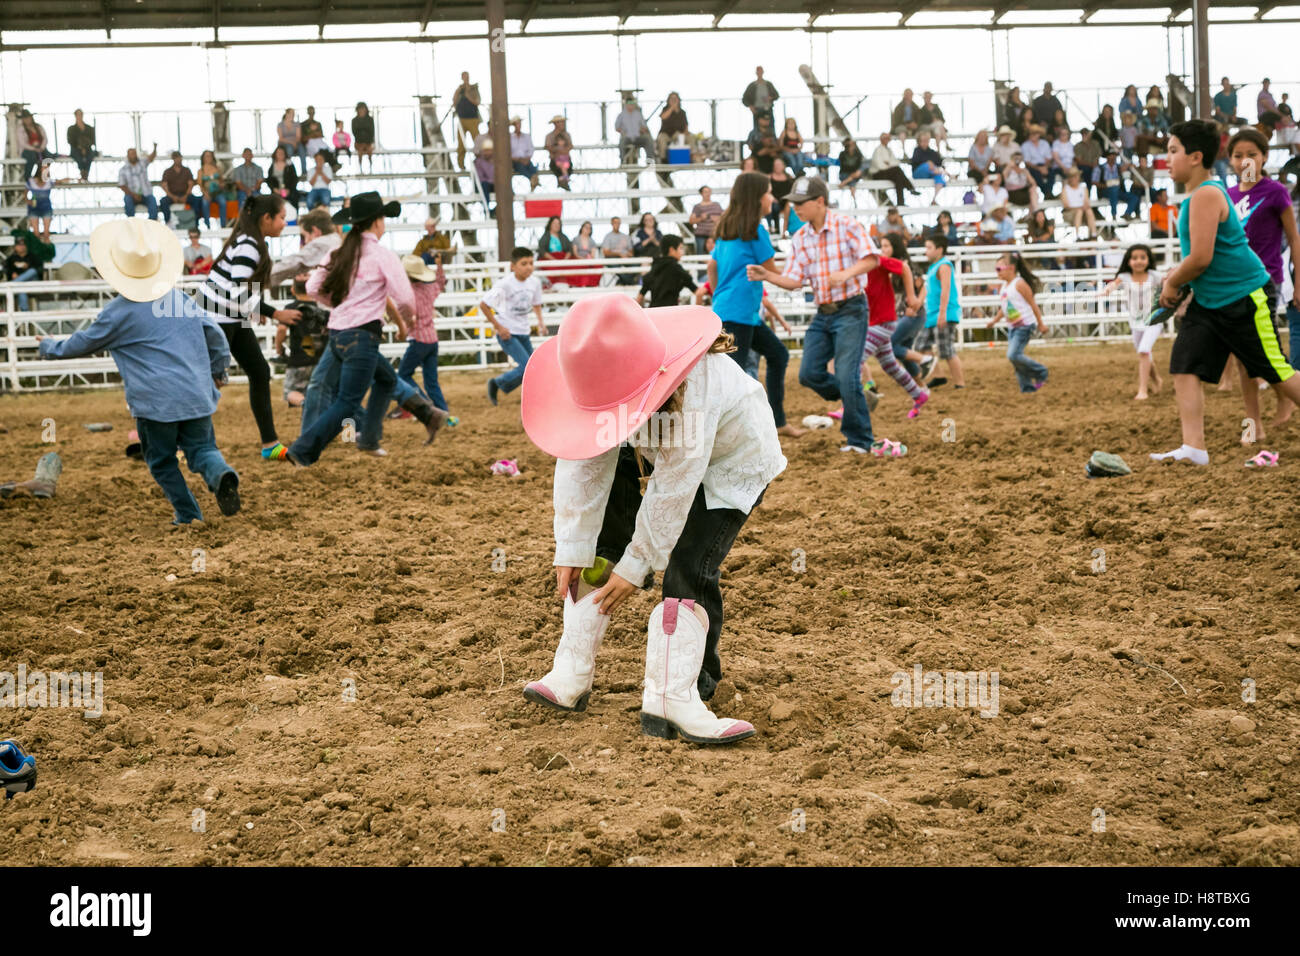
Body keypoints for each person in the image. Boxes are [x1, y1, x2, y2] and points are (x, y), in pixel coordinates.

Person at [518, 292, 782, 743]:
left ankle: (679, 692)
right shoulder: (604, 362)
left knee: (688, 565)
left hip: (730, 464)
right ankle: (571, 671)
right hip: (645, 443)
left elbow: (677, 483)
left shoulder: (697, 387)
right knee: (598, 545)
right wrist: (572, 546)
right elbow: (583, 458)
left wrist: (637, 564)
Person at [38, 219, 240, 525]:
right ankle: (221, 473)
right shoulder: (179, 299)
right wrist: (218, 372)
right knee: (201, 449)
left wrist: (49, 346)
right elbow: (215, 335)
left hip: (155, 402)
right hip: (196, 393)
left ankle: (188, 515)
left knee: (161, 461)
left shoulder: (118, 312)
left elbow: (82, 343)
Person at [1150, 120, 1300, 467]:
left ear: (1196, 156)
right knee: (1184, 365)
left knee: (1277, 371)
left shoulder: (1205, 195)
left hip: (1245, 297)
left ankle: (1202, 444)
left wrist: (1173, 282)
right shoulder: (1204, 194)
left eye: (1173, 151)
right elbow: (1200, 259)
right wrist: (1178, 278)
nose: (1167, 159)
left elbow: (1201, 257)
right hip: (1211, 300)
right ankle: (1194, 448)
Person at [748, 176, 908, 457]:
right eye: (793, 203)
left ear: (820, 201)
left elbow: (872, 259)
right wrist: (768, 275)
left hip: (851, 309)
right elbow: (795, 280)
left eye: (801, 203)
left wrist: (846, 274)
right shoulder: (800, 238)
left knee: (847, 375)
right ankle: (855, 396)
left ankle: (859, 439)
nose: (795, 208)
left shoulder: (847, 226)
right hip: (824, 314)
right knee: (809, 373)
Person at [287, 192, 446, 464]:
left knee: (382, 380)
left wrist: (336, 302)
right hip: (363, 336)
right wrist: (407, 320)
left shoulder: (338, 252)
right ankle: (303, 450)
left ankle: (405, 424)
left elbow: (313, 287)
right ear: (377, 222)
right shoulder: (382, 255)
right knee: (347, 402)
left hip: (338, 333)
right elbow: (406, 298)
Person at [196, 193, 302, 460]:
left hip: (228, 318)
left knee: (257, 371)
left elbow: (242, 289)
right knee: (209, 383)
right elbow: (237, 290)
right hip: (216, 319)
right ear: (266, 218)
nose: (283, 223)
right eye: (281, 218)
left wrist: (256, 308)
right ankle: (188, 444)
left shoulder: (251, 242)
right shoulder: (249, 245)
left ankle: (270, 444)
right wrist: (275, 312)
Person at [706, 171, 803, 437]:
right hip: (739, 313)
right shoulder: (755, 230)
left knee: (776, 355)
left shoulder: (726, 227)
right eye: (769, 192)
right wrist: (803, 269)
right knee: (733, 376)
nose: (772, 197)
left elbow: (711, 266)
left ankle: (778, 422)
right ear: (756, 197)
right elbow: (775, 273)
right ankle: (730, 432)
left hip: (731, 310)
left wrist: (719, 295)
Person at [1224, 127, 1300, 429]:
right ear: (1229, 160)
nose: (1245, 161)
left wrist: (1298, 284)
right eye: (1238, 155)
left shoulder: (1275, 192)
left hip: (1267, 280)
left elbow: (1294, 239)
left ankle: (1285, 398)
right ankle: (1253, 420)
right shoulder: (1226, 195)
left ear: (1265, 157)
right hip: (1233, 283)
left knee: (1265, 349)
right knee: (1244, 356)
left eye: (1252, 155)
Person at [483, 247, 549, 406]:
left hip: (523, 331)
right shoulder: (504, 284)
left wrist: (541, 322)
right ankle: (497, 383)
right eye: (524, 263)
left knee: (531, 368)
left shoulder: (534, 283)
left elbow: (536, 303)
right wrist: (499, 327)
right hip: (508, 332)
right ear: (513, 266)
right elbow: (484, 305)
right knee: (528, 366)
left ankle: (529, 397)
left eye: (531, 263)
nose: (528, 267)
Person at [1099, 244, 1163, 400]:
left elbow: (1169, 283)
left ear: (1148, 260)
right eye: (1134, 258)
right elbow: (1113, 284)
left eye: (1142, 257)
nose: (1138, 261)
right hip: (1135, 323)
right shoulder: (1125, 277)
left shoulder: (1155, 276)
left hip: (1154, 321)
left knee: (1143, 351)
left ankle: (1143, 390)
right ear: (1128, 261)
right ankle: (1157, 380)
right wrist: (1106, 291)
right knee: (1145, 354)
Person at [986, 251, 1048, 393]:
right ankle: (1026, 387)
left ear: (1011, 268)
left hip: (1024, 325)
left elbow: (1033, 304)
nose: (997, 272)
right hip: (1014, 327)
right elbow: (1005, 308)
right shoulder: (1006, 287)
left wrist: (1041, 323)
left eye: (999, 269)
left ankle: (1040, 371)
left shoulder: (1019, 284)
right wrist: (994, 321)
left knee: (1013, 355)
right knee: (1016, 358)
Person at [396, 253, 450, 415]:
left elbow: (410, 319)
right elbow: (440, 283)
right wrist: (439, 266)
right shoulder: (429, 288)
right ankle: (443, 411)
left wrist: (402, 331)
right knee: (431, 381)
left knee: (403, 375)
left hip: (418, 340)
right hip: (432, 339)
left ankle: (425, 406)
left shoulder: (409, 294)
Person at [916, 232, 965, 389]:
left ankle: (960, 383)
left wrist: (943, 313)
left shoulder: (944, 265)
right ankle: (939, 376)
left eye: (929, 248)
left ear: (940, 249)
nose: (926, 251)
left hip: (943, 313)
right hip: (933, 314)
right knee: (921, 345)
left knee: (946, 350)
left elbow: (946, 290)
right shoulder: (934, 267)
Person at [276, 280, 329, 407]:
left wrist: (279, 349)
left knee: (290, 392)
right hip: (321, 359)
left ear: (293, 290)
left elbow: (281, 329)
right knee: (321, 390)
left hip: (298, 359)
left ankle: (305, 403)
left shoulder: (290, 308)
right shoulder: (322, 308)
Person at [637, 235, 697, 308]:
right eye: (681, 248)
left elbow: (640, 297)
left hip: (654, 313)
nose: (683, 252)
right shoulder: (677, 269)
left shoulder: (655, 267)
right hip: (671, 313)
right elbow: (698, 292)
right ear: (672, 250)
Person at [868, 133, 919, 207]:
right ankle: (910, 187)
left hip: (888, 172)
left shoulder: (889, 150)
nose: (887, 140)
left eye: (888, 138)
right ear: (881, 139)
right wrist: (889, 165)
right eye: (885, 138)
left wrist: (888, 164)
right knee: (897, 171)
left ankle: (901, 203)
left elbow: (896, 162)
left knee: (898, 178)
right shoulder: (878, 150)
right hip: (878, 174)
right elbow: (879, 165)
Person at [160, 151, 204, 226]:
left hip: (185, 194)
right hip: (172, 195)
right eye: (176, 158)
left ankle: (196, 222)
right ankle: (168, 222)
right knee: (163, 201)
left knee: (197, 201)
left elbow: (191, 184)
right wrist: (172, 196)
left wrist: (186, 196)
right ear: (173, 159)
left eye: (179, 158)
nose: (178, 160)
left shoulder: (186, 170)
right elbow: (164, 186)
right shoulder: (168, 171)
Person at [26, 162, 66, 244]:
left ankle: (46, 250)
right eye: (44, 168)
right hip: (34, 207)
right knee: (36, 233)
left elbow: (60, 181)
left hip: (46, 207)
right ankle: (37, 250)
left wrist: (74, 178)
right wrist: (28, 201)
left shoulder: (49, 181)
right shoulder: (31, 181)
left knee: (46, 234)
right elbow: (25, 194)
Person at [1095, 149, 1141, 221]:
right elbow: (1094, 182)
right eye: (1111, 155)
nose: (1114, 157)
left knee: (1134, 197)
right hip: (1105, 190)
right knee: (1114, 190)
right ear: (1107, 157)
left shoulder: (1118, 167)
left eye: (1115, 155)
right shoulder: (1100, 168)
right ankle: (1114, 214)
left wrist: (1129, 165)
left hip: (1118, 191)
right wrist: (1106, 185)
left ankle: (1127, 213)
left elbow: (1130, 166)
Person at [118, 145, 159, 219]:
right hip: (131, 195)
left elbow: (151, 157)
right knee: (127, 201)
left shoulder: (142, 163)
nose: (133, 156)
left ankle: (151, 223)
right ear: (128, 156)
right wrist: (134, 195)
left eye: (134, 153)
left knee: (153, 202)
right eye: (131, 154)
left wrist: (155, 148)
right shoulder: (123, 169)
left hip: (146, 193)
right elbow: (122, 185)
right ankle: (132, 223)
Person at [452, 72, 482, 170]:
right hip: (462, 119)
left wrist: (468, 95)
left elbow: (477, 101)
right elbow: (454, 101)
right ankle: (461, 165)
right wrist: (458, 91)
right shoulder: (460, 89)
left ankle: (480, 162)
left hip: (473, 119)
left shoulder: (473, 88)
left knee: (477, 142)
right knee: (461, 143)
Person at [3, 237, 40, 311]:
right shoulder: (11, 258)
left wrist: (28, 266)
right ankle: (25, 313)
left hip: (32, 281)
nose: (21, 247)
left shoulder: (32, 256)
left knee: (32, 271)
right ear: (15, 247)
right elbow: (6, 269)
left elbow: (39, 269)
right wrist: (12, 273)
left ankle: (13, 284)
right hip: (21, 284)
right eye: (19, 245)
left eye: (23, 245)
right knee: (21, 287)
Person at [198, 149, 231, 228]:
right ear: (203, 158)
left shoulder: (217, 168)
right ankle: (207, 224)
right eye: (206, 156)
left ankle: (223, 225)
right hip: (207, 193)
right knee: (205, 203)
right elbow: (200, 185)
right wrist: (205, 194)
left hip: (218, 192)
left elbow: (221, 180)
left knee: (223, 202)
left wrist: (221, 184)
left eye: (210, 156)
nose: (208, 158)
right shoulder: (201, 171)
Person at [909, 132, 946, 204]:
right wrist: (928, 162)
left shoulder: (932, 152)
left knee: (939, 178)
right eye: (922, 141)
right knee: (927, 165)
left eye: (926, 141)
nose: (924, 143)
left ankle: (934, 199)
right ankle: (945, 173)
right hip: (919, 174)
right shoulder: (917, 151)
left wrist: (933, 164)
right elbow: (916, 161)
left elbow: (939, 162)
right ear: (919, 142)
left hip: (931, 173)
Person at [16, 112, 54, 182]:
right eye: (24, 118)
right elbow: (22, 144)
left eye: (28, 118)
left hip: (40, 149)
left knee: (48, 157)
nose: (27, 120)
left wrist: (41, 148)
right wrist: (34, 149)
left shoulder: (38, 127)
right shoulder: (21, 129)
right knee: (32, 158)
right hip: (28, 150)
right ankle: (28, 178)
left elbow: (45, 138)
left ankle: (42, 176)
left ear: (31, 118)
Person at [615, 101, 655, 165]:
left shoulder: (638, 114)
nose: (630, 106)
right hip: (627, 137)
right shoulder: (621, 115)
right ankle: (622, 161)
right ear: (626, 105)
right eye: (629, 105)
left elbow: (644, 126)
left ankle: (649, 160)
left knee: (648, 140)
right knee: (622, 142)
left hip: (637, 137)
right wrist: (622, 131)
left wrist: (642, 129)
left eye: (632, 105)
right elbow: (617, 127)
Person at [1060, 168, 1097, 238]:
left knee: (1089, 211)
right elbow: (1066, 206)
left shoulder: (1083, 188)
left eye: (1076, 176)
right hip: (1070, 213)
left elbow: (1087, 203)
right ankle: (1077, 235)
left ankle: (1093, 234)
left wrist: (1083, 208)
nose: (1074, 178)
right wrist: (1079, 208)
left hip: (1082, 212)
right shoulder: (1065, 189)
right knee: (1079, 211)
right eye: (1072, 176)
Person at [601, 216, 638, 286]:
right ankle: (631, 282)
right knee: (618, 268)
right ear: (611, 224)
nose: (617, 224)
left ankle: (621, 282)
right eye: (615, 223)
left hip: (626, 258)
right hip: (613, 259)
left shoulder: (626, 237)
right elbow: (606, 252)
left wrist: (626, 254)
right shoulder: (608, 237)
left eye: (618, 223)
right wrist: (619, 254)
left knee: (637, 265)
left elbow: (631, 252)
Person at [508, 116, 541, 191]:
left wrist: (527, 158)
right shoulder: (509, 137)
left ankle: (533, 180)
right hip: (515, 161)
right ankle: (533, 179)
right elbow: (508, 152)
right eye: (516, 124)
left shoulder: (526, 136)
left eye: (519, 124)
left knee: (531, 167)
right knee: (520, 167)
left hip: (526, 159)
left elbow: (531, 149)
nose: (518, 126)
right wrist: (516, 159)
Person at [1021, 124, 1054, 198]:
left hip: (1044, 165)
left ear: (1039, 134)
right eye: (1031, 133)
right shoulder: (1025, 145)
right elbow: (1027, 162)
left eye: (1034, 133)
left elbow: (1048, 158)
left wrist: (1045, 167)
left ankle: (1048, 192)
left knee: (1052, 172)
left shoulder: (1044, 143)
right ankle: (1047, 193)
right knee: (1036, 174)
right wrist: (1039, 168)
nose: (1032, 135)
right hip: (1033, 167)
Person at [688, 185, 722, 255]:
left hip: (715, 234)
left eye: (709, 192)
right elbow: (691, 221)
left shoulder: (717, 205)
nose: (708, 194)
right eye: (705, 192)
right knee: (701, 255)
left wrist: (718, 219)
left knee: (718, 253)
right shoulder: (697, 207)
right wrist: (701, 218)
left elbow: (724, 217)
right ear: (701, 194)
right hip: (701, 235)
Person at [66, 109, 97, 182]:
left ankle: (85, 172)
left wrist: (85, 147)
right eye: (78, 114)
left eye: (81, 114)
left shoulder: (89, 128)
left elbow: (93, 140)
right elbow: (70, 141)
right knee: (78, 155)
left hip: (88, 149)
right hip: (75, 149)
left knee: (90, 155)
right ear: (75, 116)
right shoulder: (71, 129)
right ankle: (83, 172)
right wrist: (80, 147)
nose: (79, 116)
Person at [657, 92, 689, 162]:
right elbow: (663, 117)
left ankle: (687, 157)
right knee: (662, 140)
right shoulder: (665, 109)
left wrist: (685, 134)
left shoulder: (682, 112)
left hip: (677, 134)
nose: (674, 100)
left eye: (675, 98)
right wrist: (672, 108)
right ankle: (664, 160)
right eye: (672, 98)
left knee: (686, 137)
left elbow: (686, 126)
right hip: (665, 134)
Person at [266, 146, 301, 210]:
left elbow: (294, 179)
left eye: (282, 153)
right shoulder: (272, 166)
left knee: (294, 198)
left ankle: (294, 217)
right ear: (275, 154)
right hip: (277, 190)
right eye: (278, 153)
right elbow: (269, 180)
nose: (280, 154)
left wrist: (289, 190)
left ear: (285, 154)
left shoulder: (290, 165)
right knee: (273, 203)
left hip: (288, 190)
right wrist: (274, 189)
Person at [544, 115, 573, 190]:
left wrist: (562, 151)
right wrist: (558, 150)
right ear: (555, 123)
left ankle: (563, 182)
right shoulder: (549, 136)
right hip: (555, 159)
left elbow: (570, 146)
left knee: (568, 167)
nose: (563, 124)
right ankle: (563, 182)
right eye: (560, 122)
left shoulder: (567, 135)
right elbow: (548, 147)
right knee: (557, 167)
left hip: (566, 159)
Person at [277, 108, 306, 176]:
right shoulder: (280, 125)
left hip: (296, 143)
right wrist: (291, 142)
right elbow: (281, 138)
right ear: (286, 114)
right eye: (291, 113)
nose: (293, 115)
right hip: (284, 143)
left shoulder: (297, 124)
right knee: (289, 149)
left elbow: (298, 137)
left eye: (293, 113)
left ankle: (304, 172)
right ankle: (288, 170)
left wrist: (295, 143)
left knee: (302, 150)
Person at [352, 102, 376, 172]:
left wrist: (369, 141)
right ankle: (360, 168)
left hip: (368, 142)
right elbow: (354, 132)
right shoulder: (354, 120)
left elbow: (372, 131)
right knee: (360, 149)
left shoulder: (370, 119)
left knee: (369, 150)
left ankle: (370, 167)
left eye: (363, 109)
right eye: (360, 109)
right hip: (359, 142)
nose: (362, 110)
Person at [474, 138, 496, 211]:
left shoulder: (497, 161)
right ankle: (486, 209)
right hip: (485, 185)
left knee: (506, 188)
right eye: (485, 150)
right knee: (484, 185)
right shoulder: (478, 162)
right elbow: (481, 178)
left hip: (494, 185)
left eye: (489, 150)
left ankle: (497, 210)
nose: (487, 153)